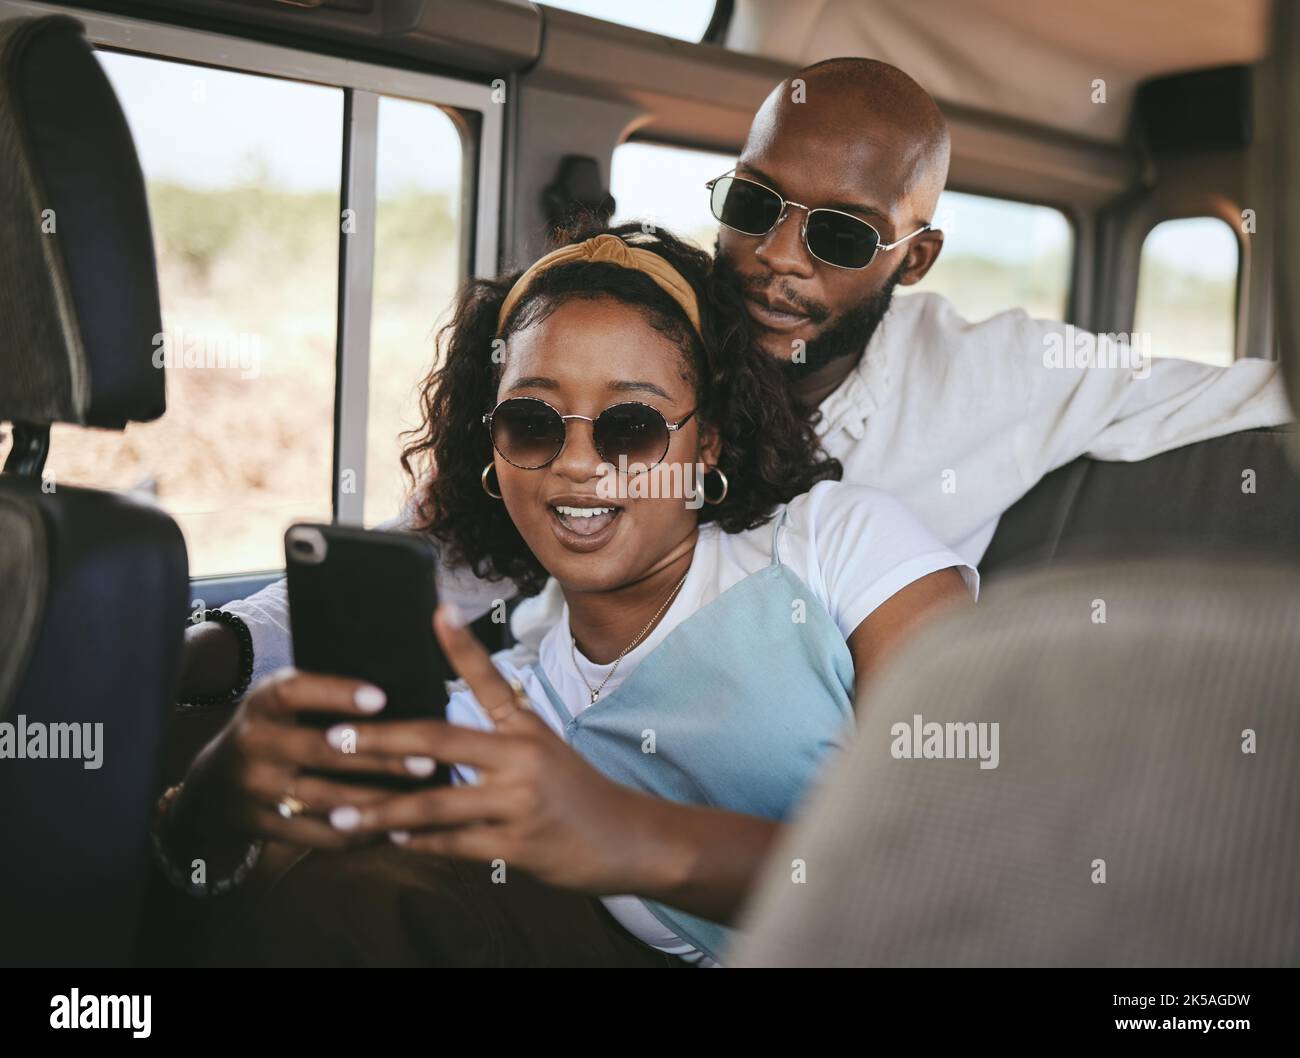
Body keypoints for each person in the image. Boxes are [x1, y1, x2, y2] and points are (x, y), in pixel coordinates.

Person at [178, 56, 1291, 711]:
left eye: (846, 234)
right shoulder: (651, 332)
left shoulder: (996, 374)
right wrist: (225, 646)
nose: (779, 258)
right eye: (755, 206)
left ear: (915, 256)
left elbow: (1245, 391)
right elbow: (451, 545)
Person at [156, 226, 976, 966]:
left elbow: (982, 840)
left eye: (631, 426)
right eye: (533, 423)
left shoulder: (837, 546)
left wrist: (624, 834)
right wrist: (213, 801)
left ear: (710, 437)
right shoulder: (510, 704)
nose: (578, 464)